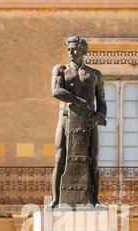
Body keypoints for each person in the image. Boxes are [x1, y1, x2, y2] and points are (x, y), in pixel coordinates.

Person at [49, 36, 107, 208]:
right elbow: (57, 91)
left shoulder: (95, 74)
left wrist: (101, 114)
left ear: (83, 51)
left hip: (88, 122)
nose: (72, 52)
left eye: (75, 49)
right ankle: (56, 200)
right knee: (60, 158)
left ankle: (95, 200)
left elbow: (102, 101)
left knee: (93, 159)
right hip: (66, 119)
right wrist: (80, 101)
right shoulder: (61, 70)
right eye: (69, 49)